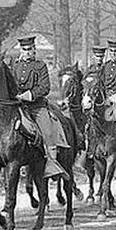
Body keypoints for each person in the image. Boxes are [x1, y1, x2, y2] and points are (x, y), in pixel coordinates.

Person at [12, 35, 69, 178]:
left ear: (34, 49)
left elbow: (45, 87)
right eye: (24, 50)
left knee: (48, 132)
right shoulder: (15, 66)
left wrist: (29, 94)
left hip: (36, 106)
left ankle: (52, 162)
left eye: (29, 49)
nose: (27, 52)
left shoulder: (40, 65)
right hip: (18, 106)